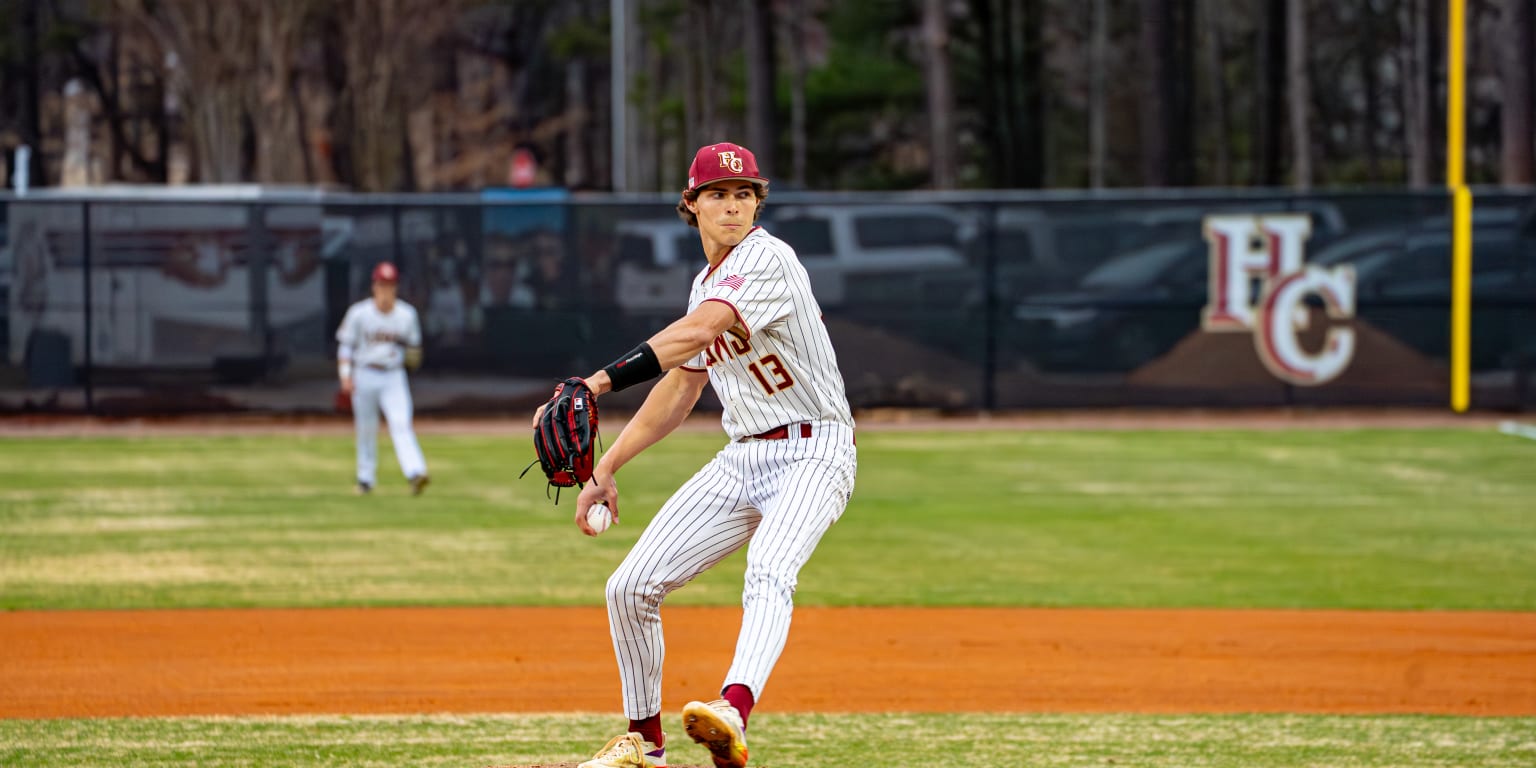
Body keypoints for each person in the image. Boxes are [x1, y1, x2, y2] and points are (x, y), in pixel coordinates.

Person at [550, 142, 858, 768]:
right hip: (743, 456)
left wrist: (597, 383)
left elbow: (698, 332)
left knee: (769, 568)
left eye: (745, 193)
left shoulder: (769, 257)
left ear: (758, 203)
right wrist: (605, 468)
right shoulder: (704, 285)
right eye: (717, 194)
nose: (733, 205)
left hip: (816, 448)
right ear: (691, 205)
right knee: (629, 587)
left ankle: (733, 709)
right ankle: (645, 745)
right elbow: (681, 386)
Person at [336, 261, 430, 496]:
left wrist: (411, 359)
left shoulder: (406, 314)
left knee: (401, 424)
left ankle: (415, 472)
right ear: (374, 286)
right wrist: (345, 376)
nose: (385, 290)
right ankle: (365, 479)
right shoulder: (359, 313)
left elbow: (414, 348)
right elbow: (345, 347)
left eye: (390, 285)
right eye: (381, 284)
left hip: (393, 375)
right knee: (366, 428)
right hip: (364, 372)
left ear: (395, 287)